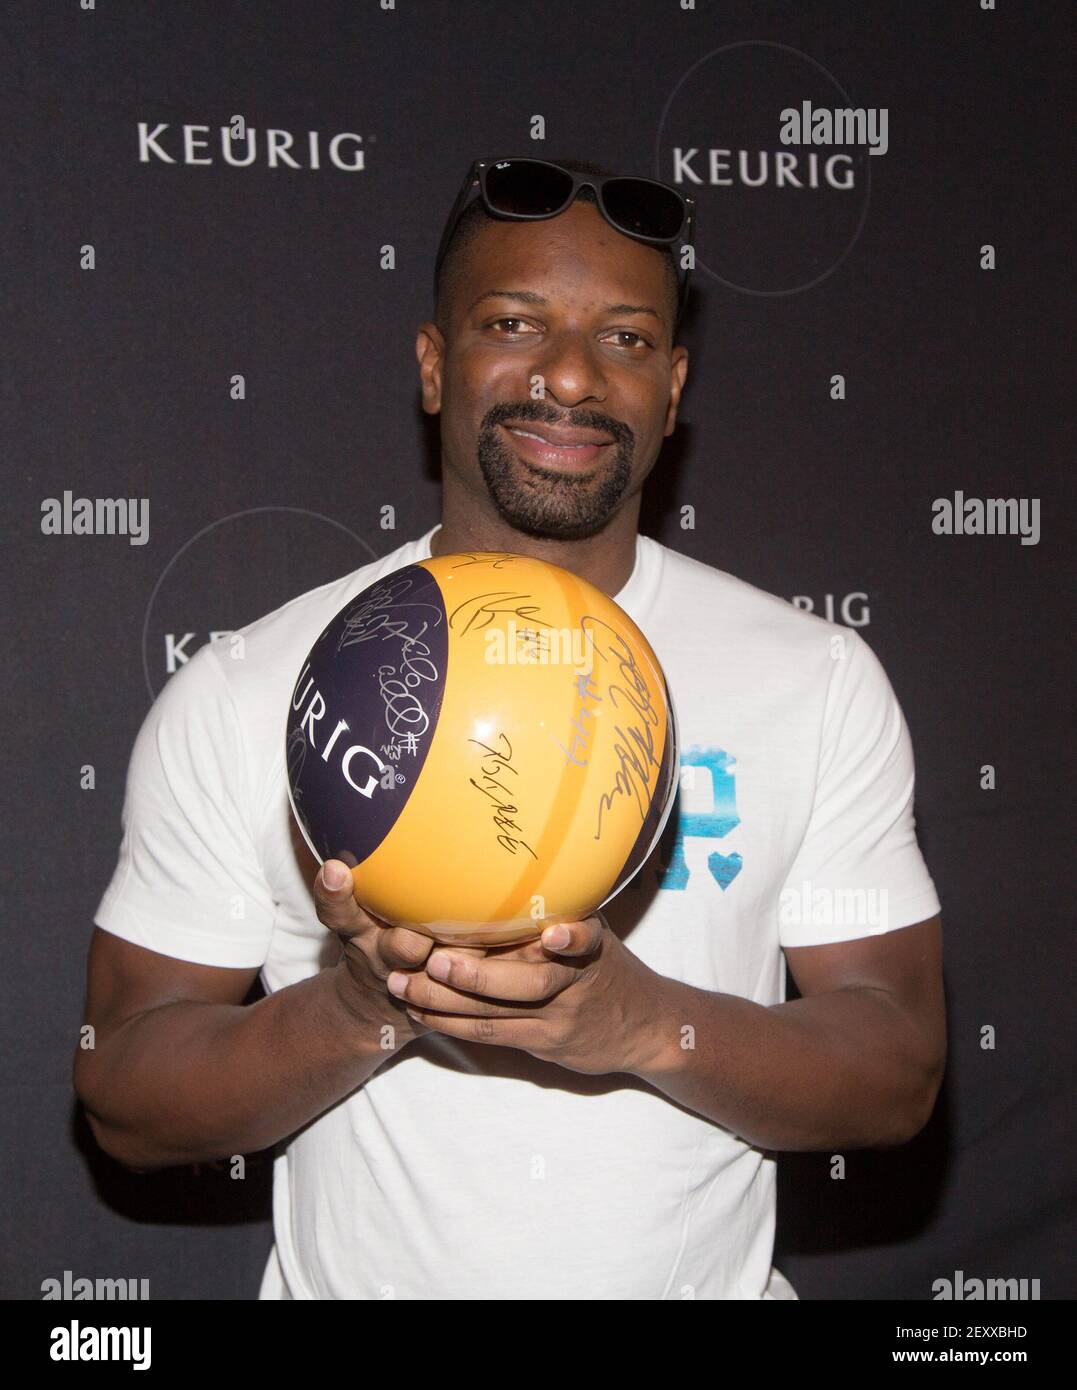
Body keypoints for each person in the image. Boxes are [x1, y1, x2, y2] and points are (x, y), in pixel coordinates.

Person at [75, 155, 945, 1300]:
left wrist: (641, 1024)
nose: (573, 378)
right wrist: (356, 1009)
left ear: (674, 387)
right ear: (436, 365)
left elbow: (898, 1068)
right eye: (515, 322)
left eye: (627, 338)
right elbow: (122, 1086)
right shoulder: (255, 686)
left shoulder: (814, 678)